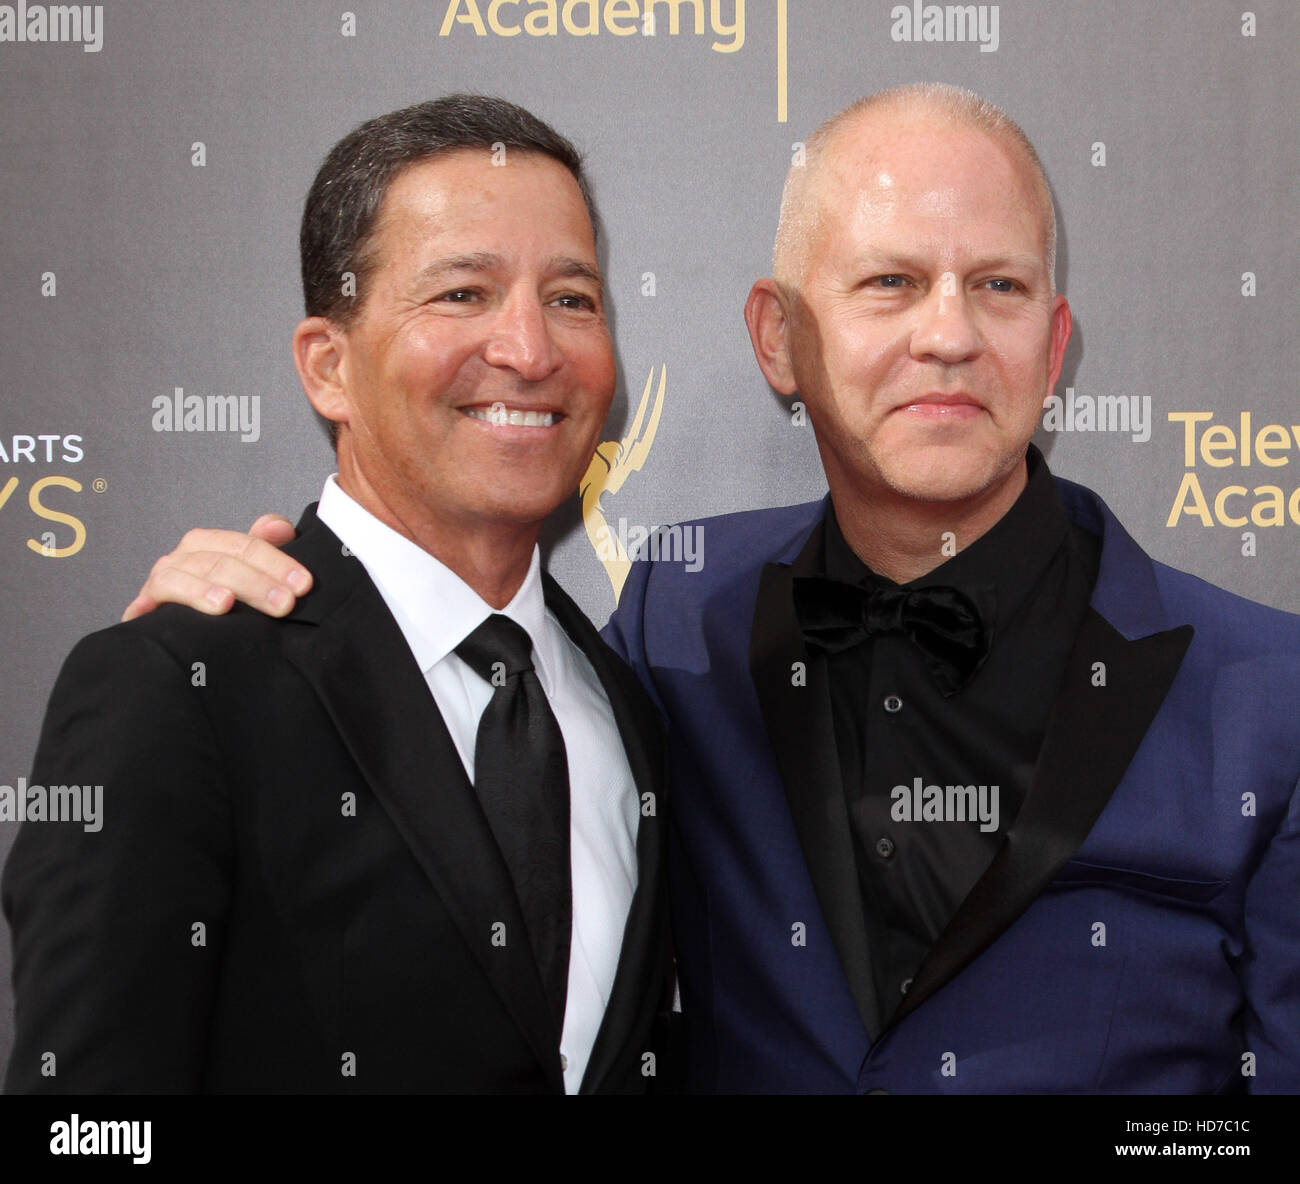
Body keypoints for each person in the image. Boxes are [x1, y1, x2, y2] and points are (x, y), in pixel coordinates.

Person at [108, 84, 1300, 1093]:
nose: (948, 335)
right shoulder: (674, 621)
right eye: (889, 282)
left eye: (996, 286)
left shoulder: (1269, 691)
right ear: (776, 339)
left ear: (1053, 347)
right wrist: (265, 613)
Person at [2, 95, 672, 1094]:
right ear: (327, 366)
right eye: (463, 294)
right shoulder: (175, 686)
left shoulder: (631, 708)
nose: (531, 350)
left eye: (572, 298)